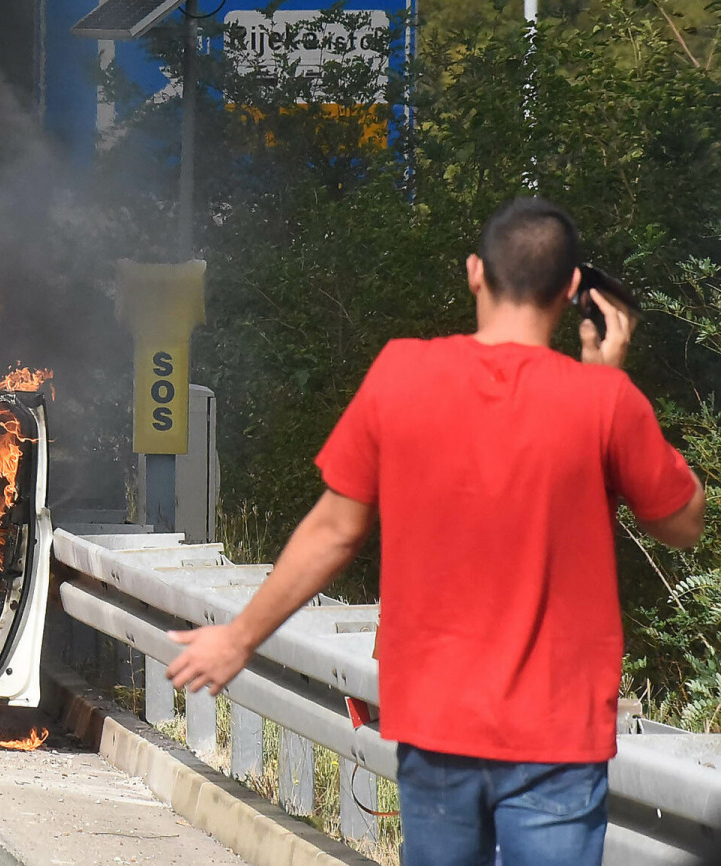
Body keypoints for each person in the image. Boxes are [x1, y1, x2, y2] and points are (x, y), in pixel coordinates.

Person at [166, 197, 706, 866]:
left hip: (437, 723)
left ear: (475, 273)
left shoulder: (401, 374)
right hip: (557, 734)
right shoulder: (604, 402)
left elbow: (334, 532)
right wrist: (607, 380)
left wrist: (237, 640)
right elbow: (683, 524)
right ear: (572, 289)